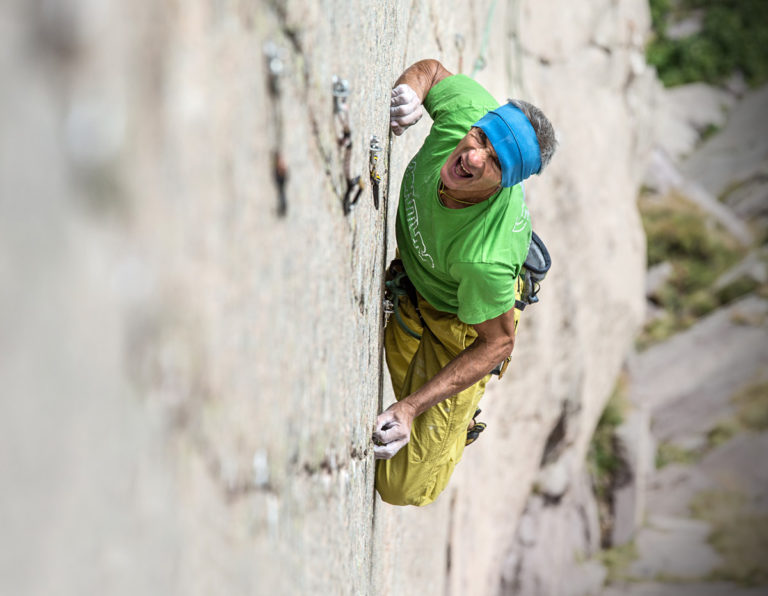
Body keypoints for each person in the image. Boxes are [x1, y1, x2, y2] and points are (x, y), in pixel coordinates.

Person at [371, 59, 558, 507]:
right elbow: (431, 72)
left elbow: (497, 343)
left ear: (503, 184)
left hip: (464, 325)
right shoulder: (467, 113)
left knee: (400, 485)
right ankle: (414, 310)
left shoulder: (484, 260)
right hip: (426, 279)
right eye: (482, 138)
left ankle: (460, 418)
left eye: (494, 162)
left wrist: (411, 409)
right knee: (404, 367)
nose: (474, 156)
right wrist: (410, 94)